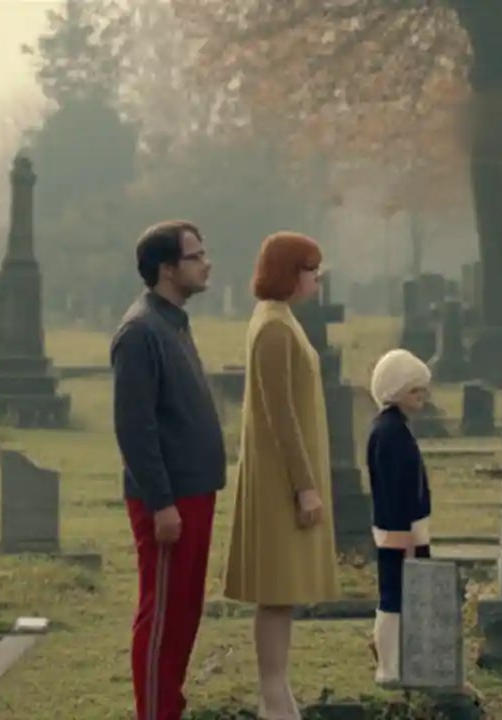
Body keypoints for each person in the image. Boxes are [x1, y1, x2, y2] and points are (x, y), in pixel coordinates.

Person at [111, 220, 227, 720]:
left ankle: (170, 708)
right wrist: (161, 503)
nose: (207, 262)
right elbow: (134, 427)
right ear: (166, 269)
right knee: (161, 618)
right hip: (168, 501)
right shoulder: (141, 332)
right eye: (196, 255)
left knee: (183, 615)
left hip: (196, 494)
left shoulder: (174, 321)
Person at [223, 231, 339, 719]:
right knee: (275, 590)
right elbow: (279, 413)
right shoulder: (273, 327)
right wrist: (304, 485)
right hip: (280, 482)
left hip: (287, 477)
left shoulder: (283, 320)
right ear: (291, 273)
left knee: (283, 593)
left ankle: (278, 690)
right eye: (311, 269)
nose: (317, 277)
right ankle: (273, 694)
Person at [365, 349, 434, 686]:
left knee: (405, 593)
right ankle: (389, 666)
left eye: (422, 390)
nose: (421, 397)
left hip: (407, 528)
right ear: (394, 391)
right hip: (399, 530)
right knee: (395, 595)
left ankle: (400, 658)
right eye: (413, 391)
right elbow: (392, 487)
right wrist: (402, 534)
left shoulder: (396, 428)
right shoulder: (389, 433)